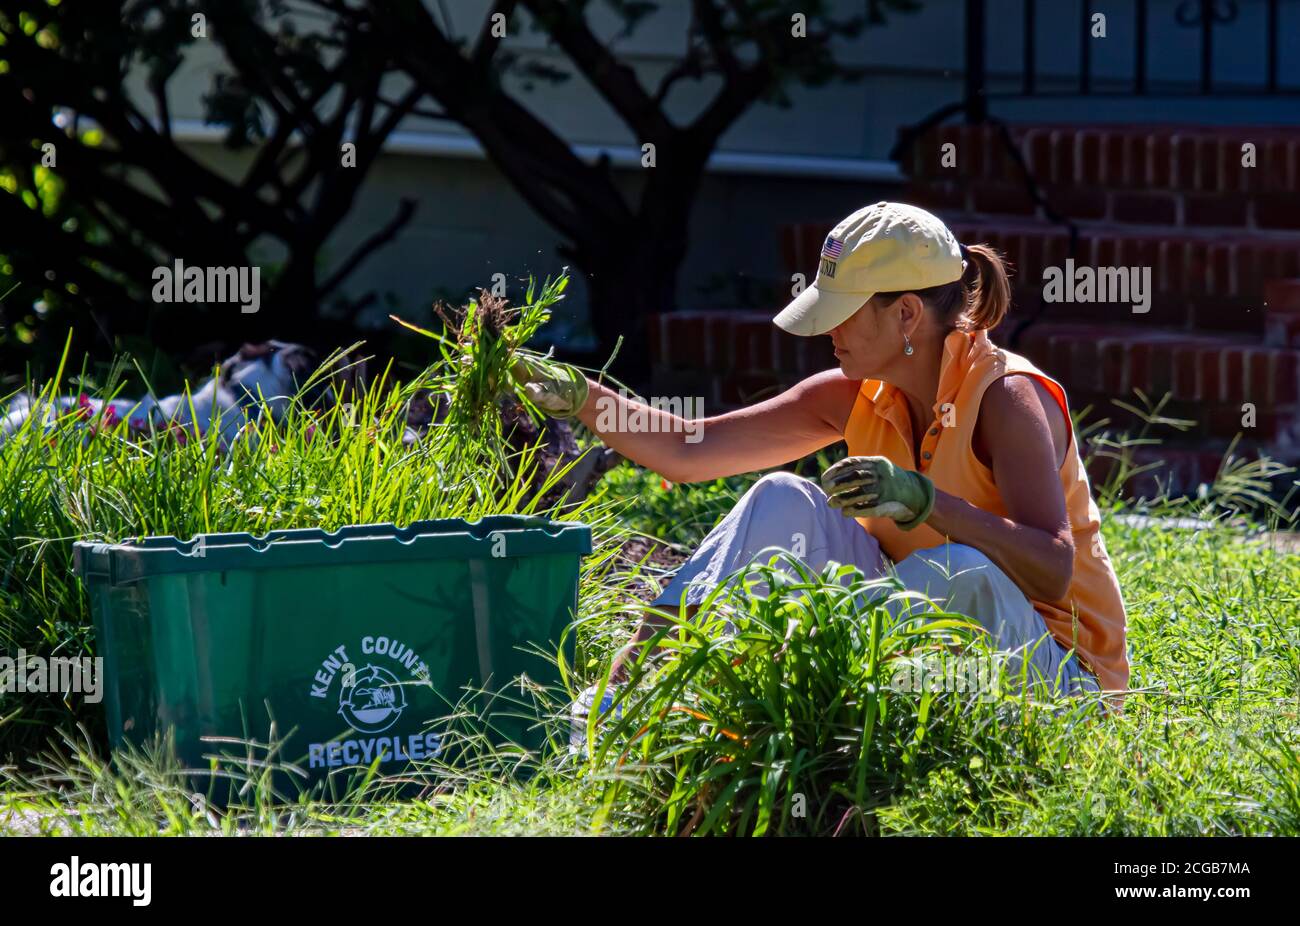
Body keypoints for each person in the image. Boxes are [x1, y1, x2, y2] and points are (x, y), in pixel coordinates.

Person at [513, 202, 1129, 697]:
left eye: (842, 313)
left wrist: (926, 501)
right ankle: (626, 693)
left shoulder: (1007, 397)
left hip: (1063, 681)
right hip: (931, 653)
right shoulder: (856, 394)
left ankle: (815, 696)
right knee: (781, 495)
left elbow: (1053, 566)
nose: (828, 331)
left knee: (955, 570)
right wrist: (584, 396)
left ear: (907, 313)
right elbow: (688, 448)